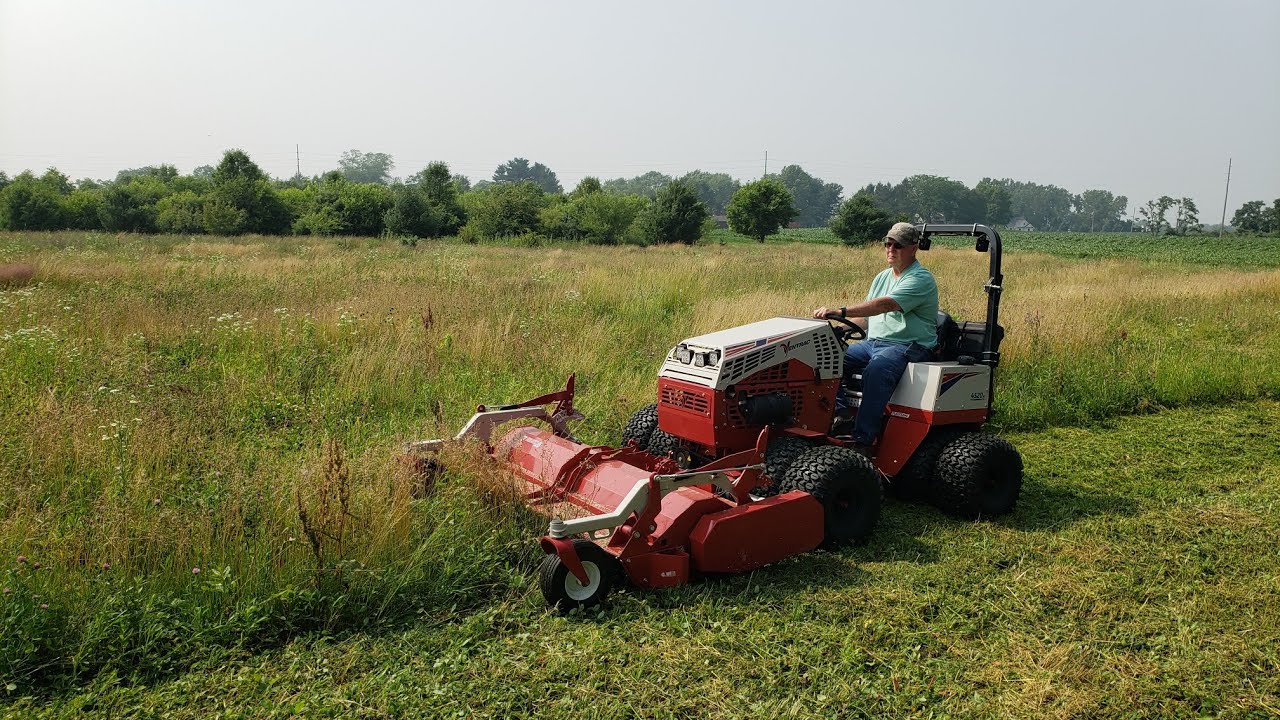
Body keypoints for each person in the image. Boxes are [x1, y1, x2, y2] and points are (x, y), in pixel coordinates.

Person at [812, 222, 939, 448]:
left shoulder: (920, 278)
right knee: (828, 359)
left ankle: (863, 439)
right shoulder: (882, 277)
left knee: (877, 370)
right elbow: (868, 318)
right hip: (873, 343)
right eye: (887, 244)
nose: (891, 249)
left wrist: (840, 311)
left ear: (913, 247)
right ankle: (842, 416)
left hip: (908, 345)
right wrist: (840, 328)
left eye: (897, 245)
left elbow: (885, 305)